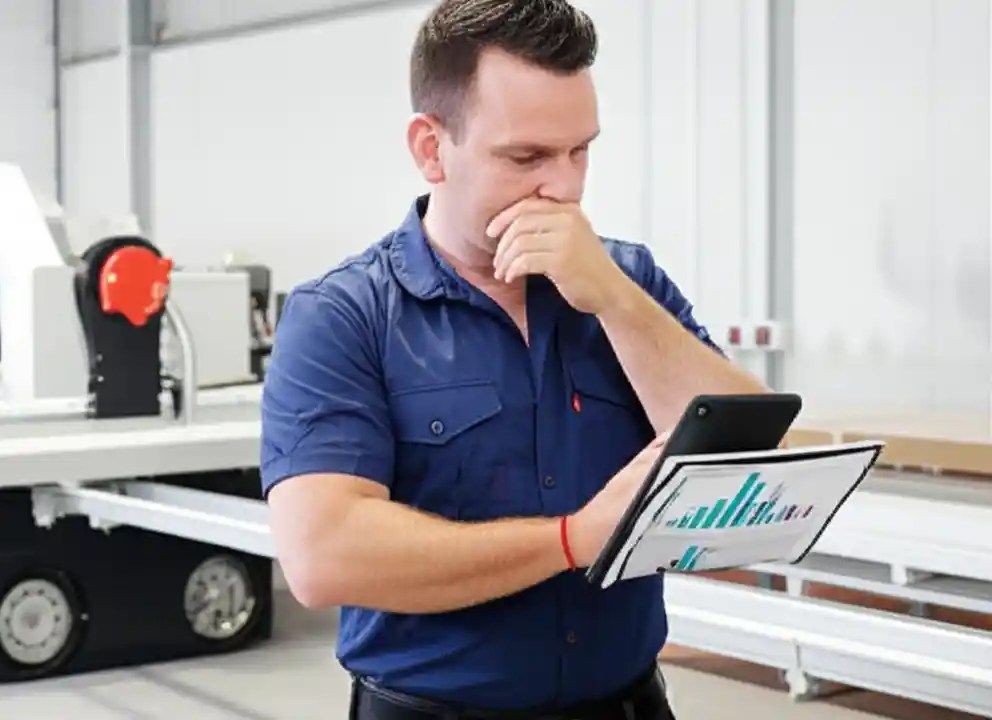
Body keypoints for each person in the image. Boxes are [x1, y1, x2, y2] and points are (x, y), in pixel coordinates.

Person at [260, 1, 770, 717]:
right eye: (526, 157)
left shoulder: (627, 282)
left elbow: (748, 456)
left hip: (627, 703)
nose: (563, 187)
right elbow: (324, 556)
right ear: (431, 149)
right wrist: (572, 539)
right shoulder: (345, 316)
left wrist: (616, 303)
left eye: (580, 150)